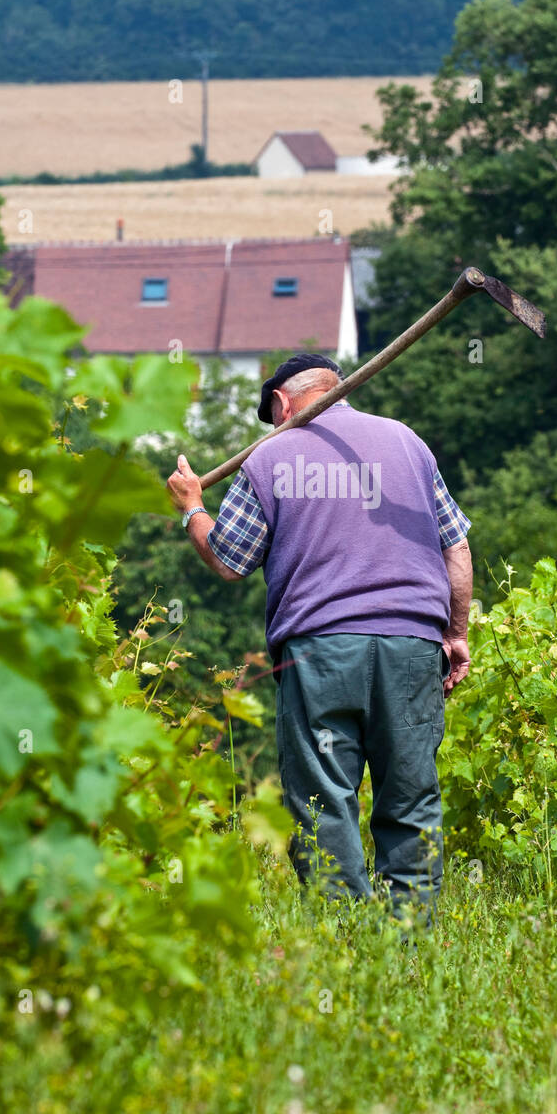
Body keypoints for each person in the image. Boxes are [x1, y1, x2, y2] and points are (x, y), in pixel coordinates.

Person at [166, 353, 472, 920]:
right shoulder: (408, 442)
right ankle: (410, 950)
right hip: (412, 645)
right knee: (411, 800)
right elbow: (455, 546)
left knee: (322, 802)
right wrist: (456, 635)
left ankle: (348, 945)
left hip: (321, 652)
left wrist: (192, 510)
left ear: (283, 402)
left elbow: (230, 560)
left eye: (271, 414)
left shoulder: (271, 456)